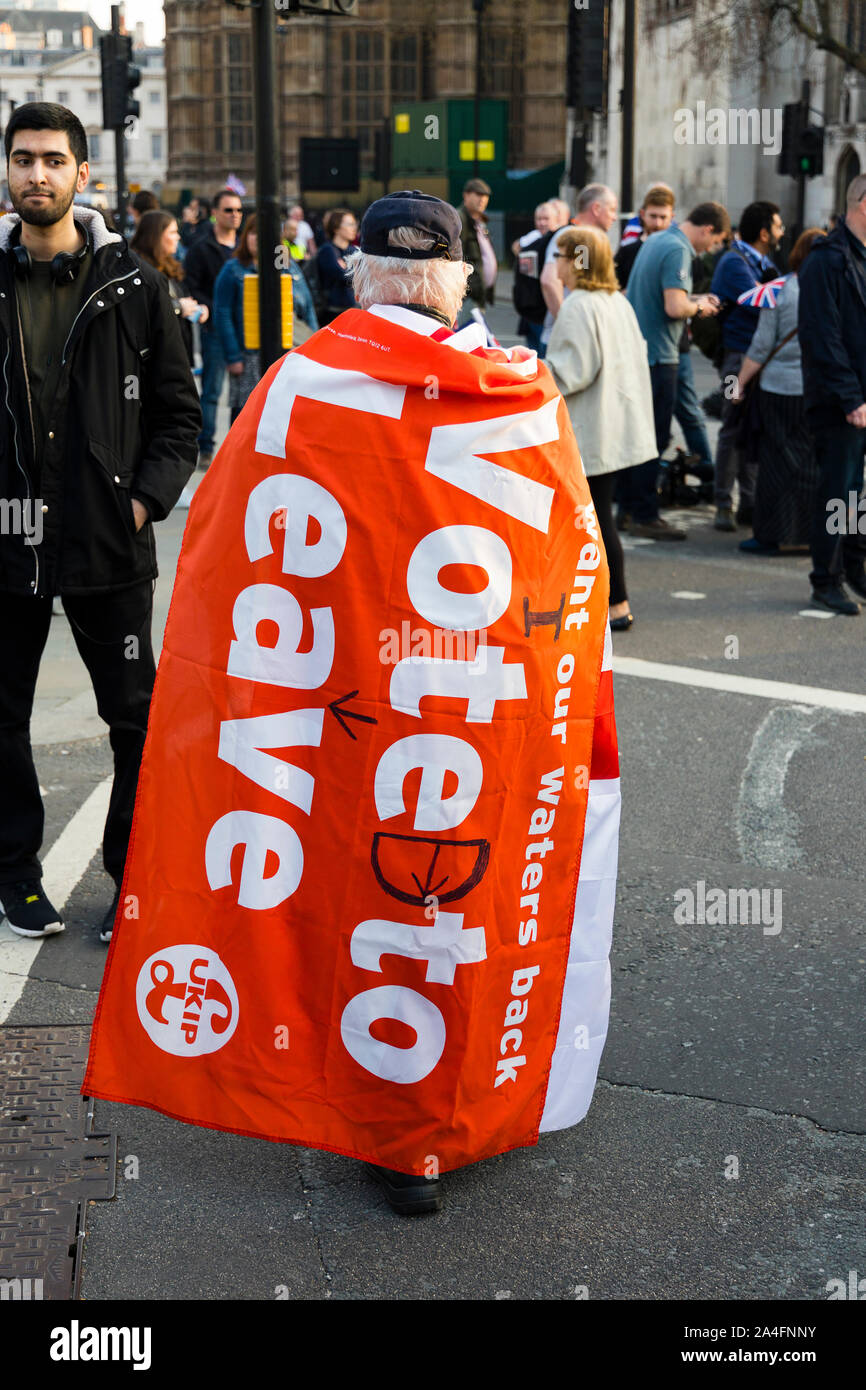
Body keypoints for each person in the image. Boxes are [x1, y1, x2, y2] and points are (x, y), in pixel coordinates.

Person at [84, 191, 619, 1222]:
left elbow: (223, 561)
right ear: (458, 281)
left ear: (359, 275)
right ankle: (429, 1122)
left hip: (333, 709)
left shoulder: (296, 388)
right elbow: (566, 574)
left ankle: (349, 1099)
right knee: (451, 910)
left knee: (344, 899)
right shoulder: (522, 395)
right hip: (470, 712)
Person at [0, 102, 200, 942]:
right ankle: (16, 877)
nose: (35, 174)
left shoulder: (136, 287)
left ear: (84, 175)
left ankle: (133, 878)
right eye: (21, 159)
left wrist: (141, 499)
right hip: (7, 540)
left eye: (52, 160)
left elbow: (178, 416)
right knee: (3, 719)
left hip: (107, 539)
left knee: (135, 719)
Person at [546, 226, 657, 629]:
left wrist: (531, 367)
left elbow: (570, 372)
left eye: (559, 256)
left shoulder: (578, 306)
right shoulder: (616, 301)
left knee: (589, 522)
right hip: (617, 427)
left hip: (591, 430)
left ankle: (614, 604)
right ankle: (612, 604)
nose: (554, 264)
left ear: (576, 261)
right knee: (598, 518)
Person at [625, 202, 730, 539]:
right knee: (653, 438)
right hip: (661, 355)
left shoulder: (658, 240)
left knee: (641, 435)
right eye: (715, 242)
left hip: (643, 350)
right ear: (708, 230)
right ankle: (644, 514)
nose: (710, 249)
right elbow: (674, 306)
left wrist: (694, 296)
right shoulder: (678, 249)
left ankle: (627, 508)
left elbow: (663, 295)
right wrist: (700, 307)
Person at [731, 228, 825, 556]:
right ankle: (815, 534)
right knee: (813, 463)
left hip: (777, 389)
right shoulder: (834, 290)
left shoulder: (780, 291)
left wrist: (737, 384)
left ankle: (770, 535)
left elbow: (760, 346)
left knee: (774, 463)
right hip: (817, 390)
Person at [798, 174, 866, 614]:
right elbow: (822, 337)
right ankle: (826, 579)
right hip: (840, 401)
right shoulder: (827, 259)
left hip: (859, 399)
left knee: (857, 493)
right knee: (837, 492)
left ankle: (856, 570)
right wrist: (850, 397)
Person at [710, 200, 784, 530]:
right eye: (779, 226)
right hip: (736, 359)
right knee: (731, 426)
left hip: (757, 358)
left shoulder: (762, 263)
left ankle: (749, 501)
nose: (782, 231)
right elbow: (764, 304)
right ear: (765, 233)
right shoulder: (734, 263)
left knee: (753, 427)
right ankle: (723, 504)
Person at [183, 188, 243, 468]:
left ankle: (238, 448)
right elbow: (192, 285)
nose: (235, 215)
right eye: (229, 210)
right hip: (216, 329)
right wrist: (209, 310)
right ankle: (205, 447)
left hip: (245, 328)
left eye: (239, 210)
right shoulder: (201, 248)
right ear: (216, 213)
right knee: (212, 389)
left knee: (243, 392)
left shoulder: (245, 247)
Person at [539, 183, 619, 342]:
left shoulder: (588, 239)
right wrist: (568, 325)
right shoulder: (574, 238)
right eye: (611, 209)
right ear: (596, 208)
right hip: (567, 339)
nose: (614, 216)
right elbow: (549, 281)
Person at [131, 208, 208, 365]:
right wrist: (178, 307)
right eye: (172, 232)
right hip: (154, 358)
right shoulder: (138, 270)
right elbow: (141, 308)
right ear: (156, 236)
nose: (178, 237)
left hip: (176, 352)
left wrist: (196, 308)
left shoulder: (170, 266)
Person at [213, 212, 260, 424]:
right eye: (253, 232)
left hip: (282, 354)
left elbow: (305, 307)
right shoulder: (232, 269)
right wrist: (233, 357)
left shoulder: (287, 266)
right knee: (244, 417)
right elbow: (222, 313)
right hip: (246, 355)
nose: (258, 238)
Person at [456, 177, 497, 325]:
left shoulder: (480, 222)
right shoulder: (460, 219)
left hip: (479, 294)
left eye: (485, 196)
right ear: (466, 195)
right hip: (468, 294)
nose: (483, 199)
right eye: (478, 195)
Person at [316, 207, 359, 323]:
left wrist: (347, 269)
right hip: (333, 312)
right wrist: (353, 271)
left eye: (355, 224)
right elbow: (344, 277)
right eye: (350, 224)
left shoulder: (354, 251)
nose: (354, 228)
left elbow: (364, 276)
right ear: (336, 228)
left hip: (352, 309)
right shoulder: (327, 250)